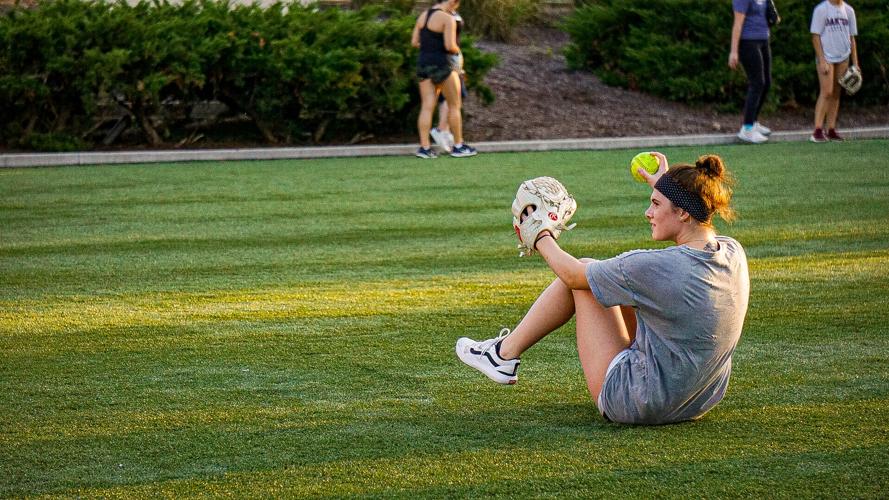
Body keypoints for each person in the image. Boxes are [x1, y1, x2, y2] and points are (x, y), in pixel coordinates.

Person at [456, 153, 750, 425]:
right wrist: (664, 185)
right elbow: (685, 216)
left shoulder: (655, 267)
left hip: (636, 401)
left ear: (684, 213)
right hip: (696, 402)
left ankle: (502, 356)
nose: (648, 212)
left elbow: (573, 276)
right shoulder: (733, 253)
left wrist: (538, 231)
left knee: (586, 276)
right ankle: (503, 354)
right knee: (618, 285)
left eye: (656, 204)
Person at [411, 0, 477, 159]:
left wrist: (429, 48)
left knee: (427, 106)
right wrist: (459, 53)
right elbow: (450, 46)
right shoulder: (448, 19)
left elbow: (414, 42)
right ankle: (458, 145)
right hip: (443, 65)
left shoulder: (423, 16)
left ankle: (424, 148)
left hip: (423, 64)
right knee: (454, 105)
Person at [810, 0, 859, 143]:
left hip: (843, 56)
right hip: (827, 57)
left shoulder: (849, 11)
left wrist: (855, 63)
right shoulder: (821, 9)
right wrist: (822, 59)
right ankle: (817, 131)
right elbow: (815, 36)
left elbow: (852, 38)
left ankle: (831, 129)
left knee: (837, 93)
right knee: (827, 92)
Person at [729, 0, 774, 144]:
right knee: (757, 83)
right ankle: (747, 129)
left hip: (763, 41)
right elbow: (737, 24)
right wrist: (734, 52)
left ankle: (753, 122)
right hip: (748, 43)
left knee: (766, 83)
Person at [430, 9, 467, 154]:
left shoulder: (447, 15)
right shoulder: (444, 16)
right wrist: (455, 66)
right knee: (453, 97)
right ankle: (441, 129)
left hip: (450, 59)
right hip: (447, 61)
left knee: (454, 97)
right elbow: (448, 44)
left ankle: (444, 130)